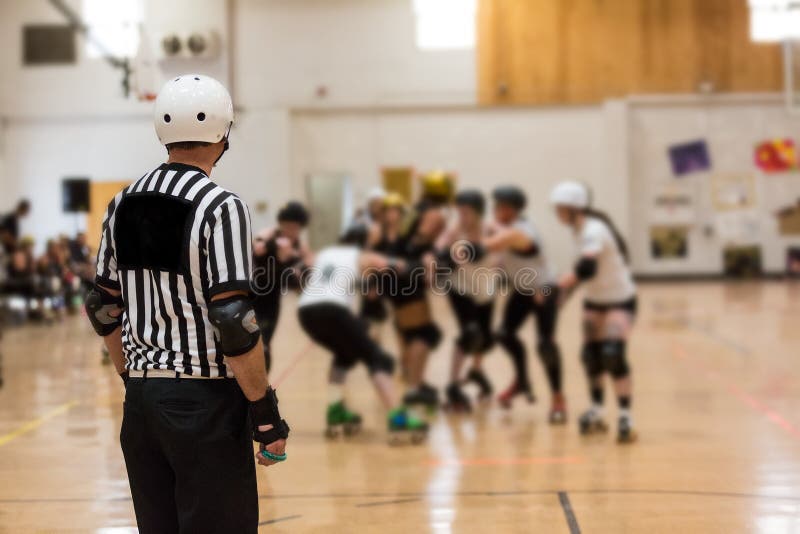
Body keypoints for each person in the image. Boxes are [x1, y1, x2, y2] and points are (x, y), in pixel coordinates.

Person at [84, 74, 290, 533]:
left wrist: (132, 378)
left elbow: (101, 306)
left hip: (142, 404)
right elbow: (233, 320)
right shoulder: (220, 206)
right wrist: (264, 412)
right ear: (224, 133)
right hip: (205, 406)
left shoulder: (121, 204)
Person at [297, 227, 428, 444]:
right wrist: (424, 264)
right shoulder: (364, 255)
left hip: (306, 312)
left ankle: (335, 410)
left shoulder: (324, 254)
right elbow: (395, 267)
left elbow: (300, 271)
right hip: (333, 310)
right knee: (379, 359)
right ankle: (398, 418)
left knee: (344, 356)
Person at [550, 181, 637, 443]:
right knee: (591, 356)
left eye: (559, 209)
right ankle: (598, 410)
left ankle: (625, 416)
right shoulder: (578, 229)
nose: (557, 214)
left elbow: (586, 268)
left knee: (613, 354)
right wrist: (563, 298)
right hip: (594, 301)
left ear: (572, 208)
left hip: (620, 300)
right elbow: (584, 273)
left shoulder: (594, 230)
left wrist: (560, 284)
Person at [485, 186, 566, 423]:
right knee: (503, 334)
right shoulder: (507, 228)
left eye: (501, 206)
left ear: (513, 210)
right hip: (523, 288)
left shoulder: (520, 231)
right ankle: (522, 381)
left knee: (545, 344)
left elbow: (495, 242)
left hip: (545, 287)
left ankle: (558, 399)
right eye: (496, 206)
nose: (497, 210)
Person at [433, 189, 496, 411]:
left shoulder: (491, 229)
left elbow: (507, 247)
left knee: (486, 339)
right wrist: (443, 254)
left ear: (479, 212)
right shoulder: (454, 230)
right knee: (470, 333)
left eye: (467, 211)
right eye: (459, 211)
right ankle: (452, 385)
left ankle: (477, 371)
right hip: (459, 286)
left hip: (485, 286)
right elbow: (438, 250)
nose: (462, 216)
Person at [252, 201, 312, 371]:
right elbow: (257, 250)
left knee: (264, 345)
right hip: (251, 297)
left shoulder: (299, 247)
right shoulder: (268, 236)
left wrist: (295, 268)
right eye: (286, 226)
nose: (290, 231)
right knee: (250, 345)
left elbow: (302, 283)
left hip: (271, 302)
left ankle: (262, 391)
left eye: (294, 228)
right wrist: (272, 249)